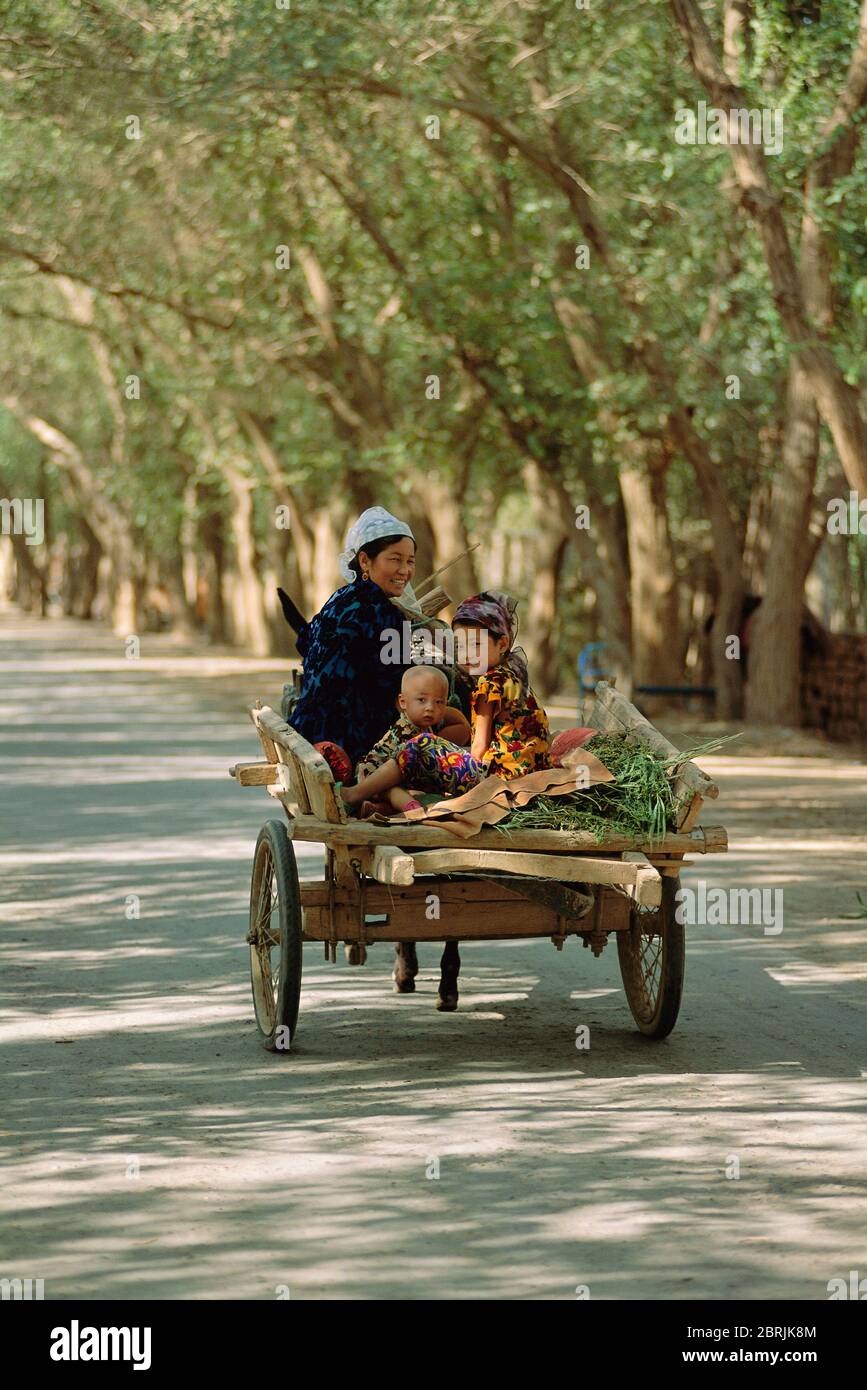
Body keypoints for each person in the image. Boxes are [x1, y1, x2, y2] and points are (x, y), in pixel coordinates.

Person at [339, 589, 549, 814]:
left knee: (420, 746)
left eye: (476, 644)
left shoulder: (489, 683)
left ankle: (355, 793)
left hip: (501, 778)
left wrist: (449, 757)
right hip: (528, 768)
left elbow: (478, 750)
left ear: (503, 643)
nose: (467, 654)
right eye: (460, 646)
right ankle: (388, 801)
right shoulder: (512, 672)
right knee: (429, 756)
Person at [286, 506, 418, 767]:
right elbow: (400, 687)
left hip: (308, 729)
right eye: (394, 559)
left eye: (410, 561)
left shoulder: (339, 598)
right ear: (365, 561)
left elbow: (305, 642)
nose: (404, 570)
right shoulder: (388, 617)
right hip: (350, 743)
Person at [354, 665, 471, 814]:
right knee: (395, 792)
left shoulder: (422, 725)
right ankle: (411, 809)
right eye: (422, 700)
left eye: (439, 702)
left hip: (393, 781)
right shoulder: (406, 731)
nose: (430, 707)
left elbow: (461, 724)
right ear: (403, 702)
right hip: (372, 776)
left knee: (403, 793)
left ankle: (376, 809)